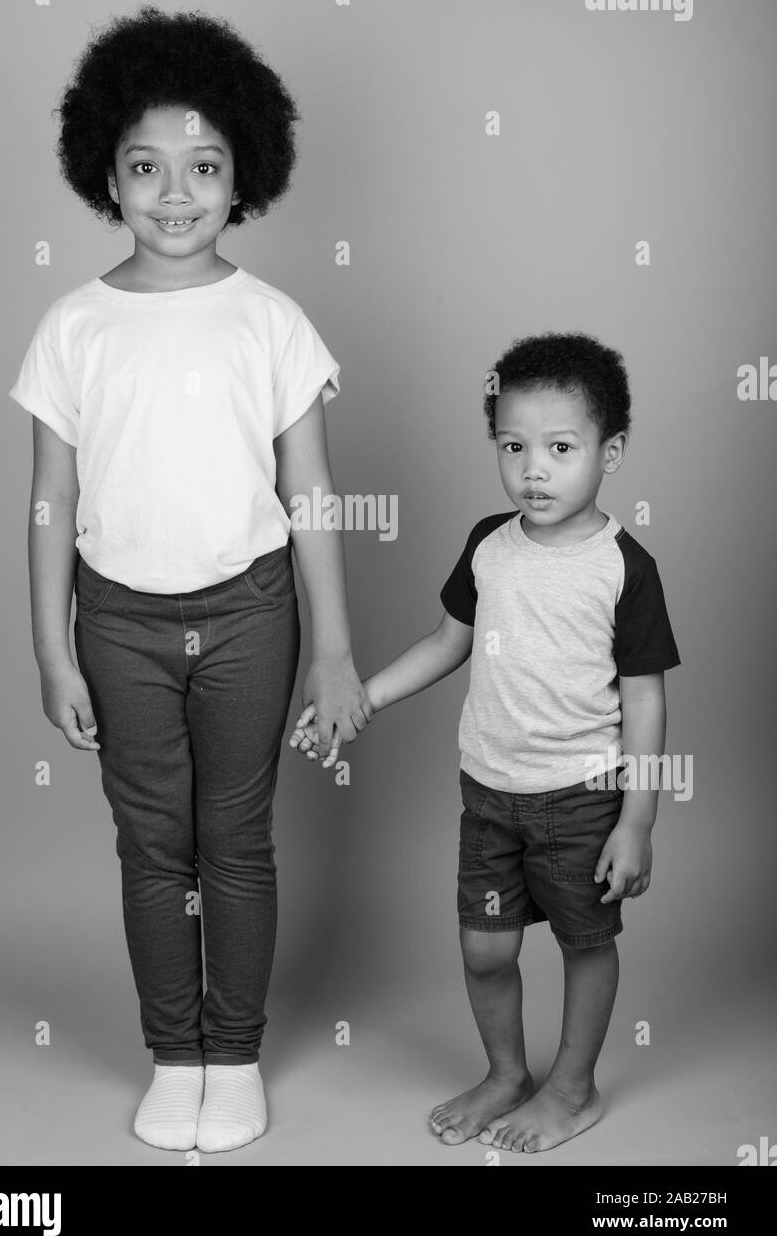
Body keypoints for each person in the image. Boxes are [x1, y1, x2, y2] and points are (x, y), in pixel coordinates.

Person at [8, 5, 370, 1154]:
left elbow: (312, 496)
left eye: (204, 167)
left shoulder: (271, 322)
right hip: (116, 622)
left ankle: (236, 1050)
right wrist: (53, 646)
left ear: (243, 174)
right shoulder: (72, 326)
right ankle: (176, 1053)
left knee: (239, 839)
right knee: (152, 844)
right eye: (147, 167)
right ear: (103, 176)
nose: (177, 194)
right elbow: (50, 503)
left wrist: (333, 648)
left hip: (252, 612)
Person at [291, 332, 681, 1153]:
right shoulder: (487, 544)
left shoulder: (624, 566)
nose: (533, 469)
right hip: (489, 794)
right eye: (512, 447)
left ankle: (572, 1090)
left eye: (560, 448)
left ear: (610, 451)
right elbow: (447, 641)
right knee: (482, 946)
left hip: (581, 796)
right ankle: (507, 1072)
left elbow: (644, 700)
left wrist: (636, 819)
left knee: (585, 943)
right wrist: (367, 695)